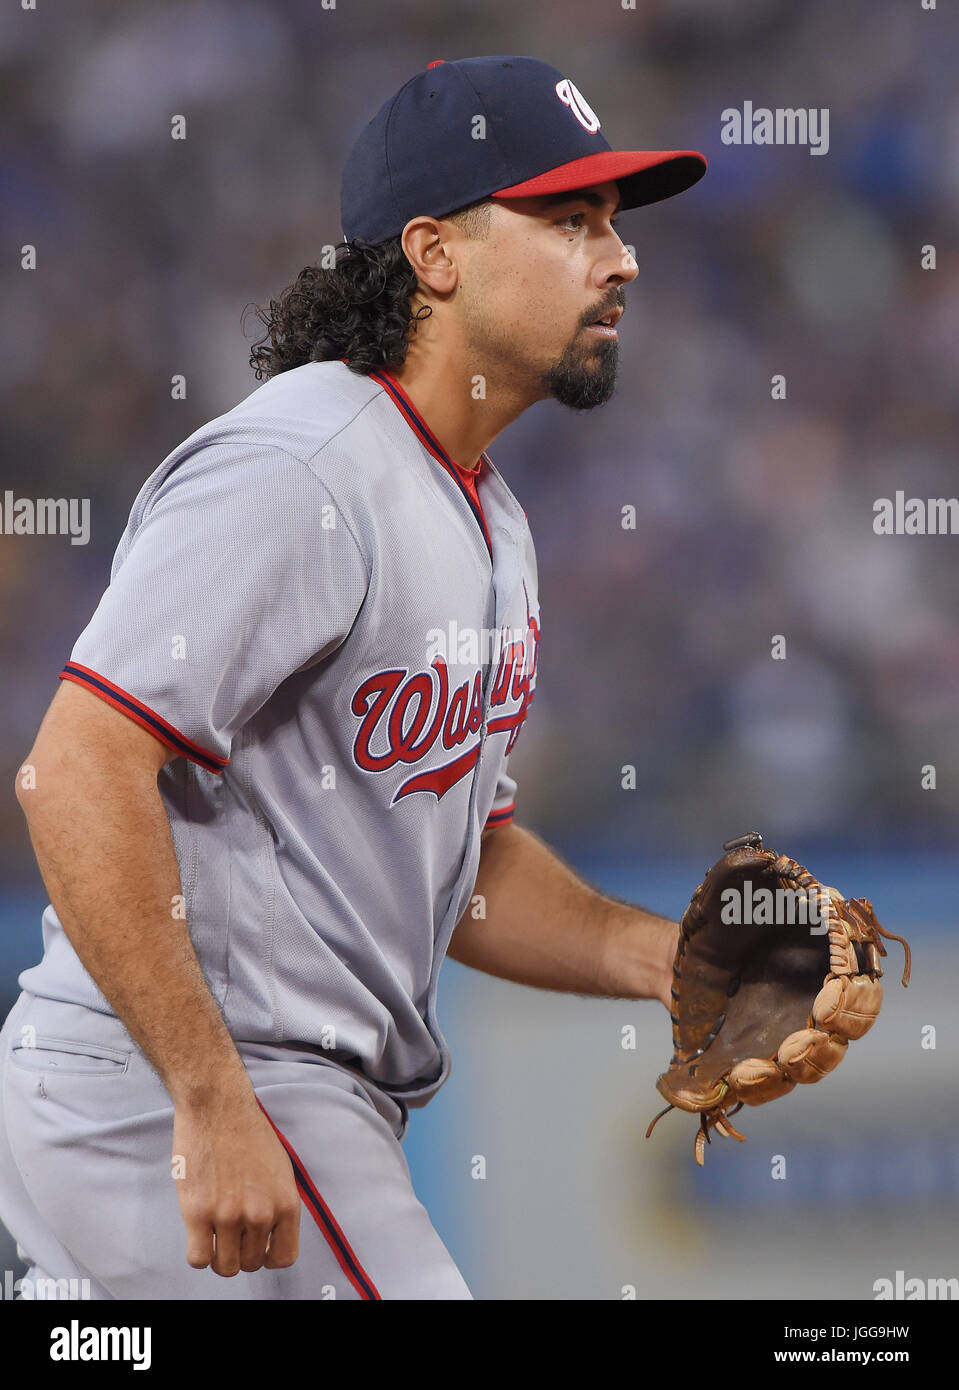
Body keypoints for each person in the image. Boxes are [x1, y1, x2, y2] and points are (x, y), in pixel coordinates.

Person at [0, 55, 706, 1300]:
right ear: (434, 255)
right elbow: (75, 764)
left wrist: (666, 957)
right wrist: (212, 1101)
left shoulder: (491, 520)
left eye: (612, 224)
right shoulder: (301, 466)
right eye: (567, 220)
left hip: (222, 1087)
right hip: (191, 1076)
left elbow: (463, 866)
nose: (619, 259)